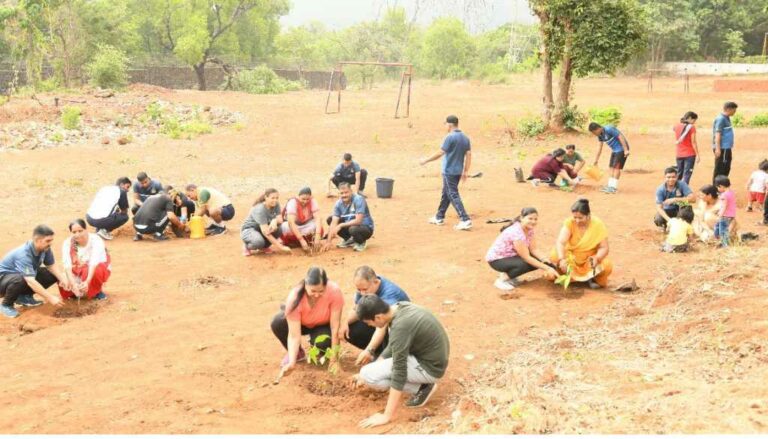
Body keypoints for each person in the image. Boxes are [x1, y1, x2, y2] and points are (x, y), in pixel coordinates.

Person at [353, 296, 450, 428]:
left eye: (369, 323)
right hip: (430, 357)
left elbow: (400, 370)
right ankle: (423, 385)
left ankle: (422, 387)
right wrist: (378, 365)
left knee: (368, 375)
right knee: (371, 371)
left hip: (430, 367)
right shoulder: (399, 307)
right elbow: (394, 344)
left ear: (378, 317)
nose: (370, 326)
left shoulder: (401, 326)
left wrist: (386, 416)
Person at [270, 267, 343, 374]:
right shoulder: (295, 297)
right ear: (306, 285)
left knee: (323, 343)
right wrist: (292, 363)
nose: (317, 295)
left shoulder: (334, 291)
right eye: (313, 291)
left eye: (321, 291)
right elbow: (294, 335)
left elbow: (335, 327)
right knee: (277, 322)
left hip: (322, 325)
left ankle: (316, 345)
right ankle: (297, 353)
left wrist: (334, 359)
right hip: (301, 324)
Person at [342, 266, 410, 364]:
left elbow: (382, 326)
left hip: (398, 330)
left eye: (364, 289)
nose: (362, 293)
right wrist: (345, 322)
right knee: (350, 329)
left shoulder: (389, 294)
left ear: (376, 282)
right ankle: (378, 353)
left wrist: (369, 350)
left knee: (385, 329)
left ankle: (386, 356)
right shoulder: (363, 287)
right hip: (380, 322)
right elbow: (358, 309)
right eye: (359, 289)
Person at [0, 225, 68, 318]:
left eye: (51, 240)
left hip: (19, 278)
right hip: (4, 282)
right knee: (22, 278)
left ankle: (24, 297)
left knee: (50, 274)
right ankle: (6, 305)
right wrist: (50, 297)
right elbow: (30, 281)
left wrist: (63, 279)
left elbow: (51, 266)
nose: (50, 243)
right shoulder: (23, 254)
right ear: (37, 240)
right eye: (48, 241)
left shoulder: (45, 248)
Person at [485, 207, 559, 292]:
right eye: (530, 218)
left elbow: (534, 249)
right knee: (524, 264)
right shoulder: (516, 232)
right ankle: (502, 280)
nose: (533, 221)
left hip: (510, 256)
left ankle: (509, 275)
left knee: (538, 261)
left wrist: (546, 261)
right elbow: (526, 257)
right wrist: (548, 268)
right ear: (522, 218)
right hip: (496, 260)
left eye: (535, 219)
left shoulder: (529, 229)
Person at [420, 114, 473, 231]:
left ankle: (465, 219)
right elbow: (468, 155)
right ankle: (439, 216)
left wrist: (426, 160)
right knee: (446, 194)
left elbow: (440, 153)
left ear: (449, 124)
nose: (445, 127)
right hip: (458, 171)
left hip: (449, 171)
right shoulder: (465, 138)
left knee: (452, 194)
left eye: (445, 124)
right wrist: (465, 170)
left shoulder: (450, 137)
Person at [550, 199, 612, 289]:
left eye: (580, 218)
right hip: (572, 259)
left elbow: (604, 247)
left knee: (607, 265)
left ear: (588, 216)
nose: (577, 220)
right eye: (575, 217)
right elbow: (560, 242)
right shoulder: (569, 223)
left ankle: (591, 278)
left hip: (589, 260)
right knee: (554, 255)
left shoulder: (598, 225)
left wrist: (597, 258)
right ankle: (574, 276)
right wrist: (562, 259)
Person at [58, 219, 110, 300]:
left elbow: (94, 262)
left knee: (92, 270)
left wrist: (87, 281)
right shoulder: (67, 243)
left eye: (80, 231)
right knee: (62, 278)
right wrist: (72, 283)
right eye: (74, 232)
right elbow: (67, 265)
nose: (77, 235)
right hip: (77, 270)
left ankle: (97, 291)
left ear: (86, 230)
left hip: (97, 268)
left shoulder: (95, 240)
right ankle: (74, 292)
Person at [324, 182, 374, 252]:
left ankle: (361, 242)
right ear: (339, 194)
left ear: (351, 191)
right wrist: (328, 241)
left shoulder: (358, 199)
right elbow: (333, 223)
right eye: (341, 193)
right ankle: (349, 240)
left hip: (365, 228)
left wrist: (340, 225)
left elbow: (358, 221)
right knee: (330, 219)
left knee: (353, 229)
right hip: (351, 226)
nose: (344, 195)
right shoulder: (338, 204)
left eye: (346, 192)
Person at [241, 188, 291, 255]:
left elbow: (280, 220)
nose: (275, 200)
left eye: (277, 198)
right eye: (272, 198)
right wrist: (281, 247)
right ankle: (247, 246)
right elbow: (266, 232)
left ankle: (264, 247)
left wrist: (275, 221)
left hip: (262, 229)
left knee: (280, 228)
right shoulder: (260, 209)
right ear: (266, 197)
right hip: (250, 230)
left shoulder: (276, 204)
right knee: (258, 242)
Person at [589, 122, 630, 194]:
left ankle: (613, 188)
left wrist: (626, 150)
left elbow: (620, 137)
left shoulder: (609, 129)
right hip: (615, 150)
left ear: (598, 128)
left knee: (617, 168)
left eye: (594, 132)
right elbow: (600, 147)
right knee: (611, 168)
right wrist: (596, 160)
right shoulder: (600, 135)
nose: (594, 134)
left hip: (621, 150)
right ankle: (610, 186)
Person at [280, 187, 323, 252]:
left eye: (307, 199)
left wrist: (317, 236)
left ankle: (300, 242)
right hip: (294, 226)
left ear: (310, 197)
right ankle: (300, 242)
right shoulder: (292, 202)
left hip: (307, 225)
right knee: (284, 227)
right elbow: (291, 223)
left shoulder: (312, 200)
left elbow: (318, 219)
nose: (305, 201)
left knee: (317, 226)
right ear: (298, 197)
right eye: (303, 199)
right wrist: (301, 240)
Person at [712, 101, 738, 182]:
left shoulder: (726, 118)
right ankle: (716, 188)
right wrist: (718, 148)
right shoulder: (721, 119)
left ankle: (722, 186)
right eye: (734, 110)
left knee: (726, 167)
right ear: (728, 109)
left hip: (726, 148)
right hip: (722, 148)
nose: (735, 112)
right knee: (721, 168)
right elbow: (718, 134)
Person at [673, 111, 700, 185]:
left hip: (679, 154)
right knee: (687, 174)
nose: (694, 122)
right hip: (689, 154)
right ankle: (684, 190)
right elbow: (693, 142)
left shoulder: (676, 126)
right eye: (694, 120)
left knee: (679, 173)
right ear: (690, 118)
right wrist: (697, 155)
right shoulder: (691, 128)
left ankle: (676, 189)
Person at [714, 175, 736, 248]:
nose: (718, 189)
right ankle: (718, 239)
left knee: (722, 231)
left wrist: (720, 215)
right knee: (718, 227)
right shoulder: (731, 192)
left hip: (724, 216)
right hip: (731, 215)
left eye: (718, 187)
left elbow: (724, 206)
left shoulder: (724, 195)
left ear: (721, 186)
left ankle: (725, 245)